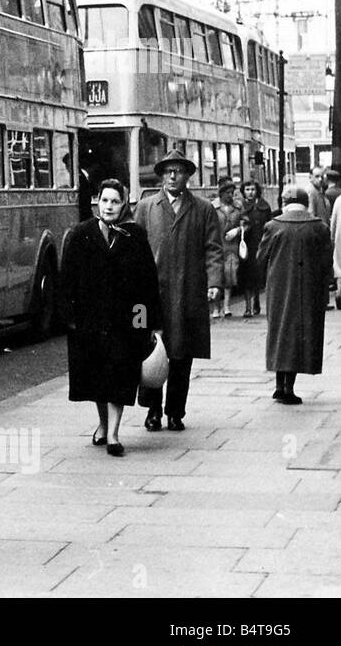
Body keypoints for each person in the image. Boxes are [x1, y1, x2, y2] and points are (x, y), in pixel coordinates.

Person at [60, 179, 161, 456]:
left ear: (124, 204)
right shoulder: (81, 234)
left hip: (124, 323)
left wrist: (145, 326)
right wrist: (69, 318)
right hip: (90, 323)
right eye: (105, 200)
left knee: (119, 375)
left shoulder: (134, 236)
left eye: (115, 201)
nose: (109, 206)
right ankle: (103, 425)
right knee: (97, 379)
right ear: (97, 202)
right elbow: (67, 279)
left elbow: (147, 284)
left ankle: (114, 435)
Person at [133, 149, 222, 433]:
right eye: (168, 171)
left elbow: (213, 249)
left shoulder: (203, 209)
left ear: (187, 176)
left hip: (188, 291)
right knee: (149, 353)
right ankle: (152, 410)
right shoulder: (147, 207)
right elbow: (134, 249)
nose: (173, 176)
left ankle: (175, 412)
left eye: (179, 171)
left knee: (182, 354)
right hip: (151, 294)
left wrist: (215, 282)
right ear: (161, 175)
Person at [258, 185, 332, 404]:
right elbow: (326, 262)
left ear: (284, 203)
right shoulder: (319, 227)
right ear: (306, 203)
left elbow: (260, 258)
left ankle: (279, 386)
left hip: (278, 290)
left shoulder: (272, 226)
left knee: (279, 334)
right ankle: (289, 388)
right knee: (300, 337)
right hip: (310, 291)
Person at [239, 180, 273, 316]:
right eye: (247, 189)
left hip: (260, 244)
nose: (250, 192)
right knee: (247, 276)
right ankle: (248, 306)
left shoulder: (265, 207)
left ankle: (257, 301)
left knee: (259, 276)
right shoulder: (241, 207)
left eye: (252, 189)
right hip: (246, 246)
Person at [213, 177, 243, 319]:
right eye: (227, 192)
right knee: (216, 277)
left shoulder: (238, 207)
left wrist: (237, 230)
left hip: (232, 246)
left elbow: (245, 223)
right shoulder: (212, 207)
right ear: (221, 193)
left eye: (232, 192)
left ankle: (226, 306)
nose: (230, 195)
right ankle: (215, 308)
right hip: (216, 246)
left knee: (229, 276)